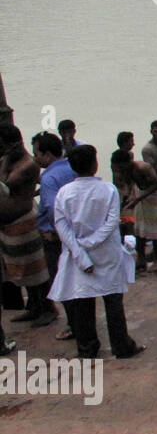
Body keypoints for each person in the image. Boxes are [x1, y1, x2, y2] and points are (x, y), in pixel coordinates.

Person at [49, 145, 145, 360]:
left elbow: (62, 227)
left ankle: (87, 348)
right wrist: (92, 243)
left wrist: (80, 250)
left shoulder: (64, 193)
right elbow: (112, 222)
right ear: (95, 164)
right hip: (106, 252)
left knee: (83, 300)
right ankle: (122, 346)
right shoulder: (108, 189)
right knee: (112, 301)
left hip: (79, 254)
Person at [0, 124, 53, 326]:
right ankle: (34, 306)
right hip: (9, 227)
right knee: (22, 271)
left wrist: (5, 162)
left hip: (25, 222)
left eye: (4, 146)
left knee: (37, 270)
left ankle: (48, 308)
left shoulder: (27, 164)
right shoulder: (8, 161)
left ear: (14, 144)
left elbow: (5, 186)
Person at [33, 132, 77, 334]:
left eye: (37, 154)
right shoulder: (73, 167)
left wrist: (58, 232)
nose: (35, 159)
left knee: (61, 280)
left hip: (55, 236)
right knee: (78, 280)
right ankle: (81, 322)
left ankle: (73, 325)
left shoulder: (49, 177)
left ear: (48, 155)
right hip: (77, 231)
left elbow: (51, 208)